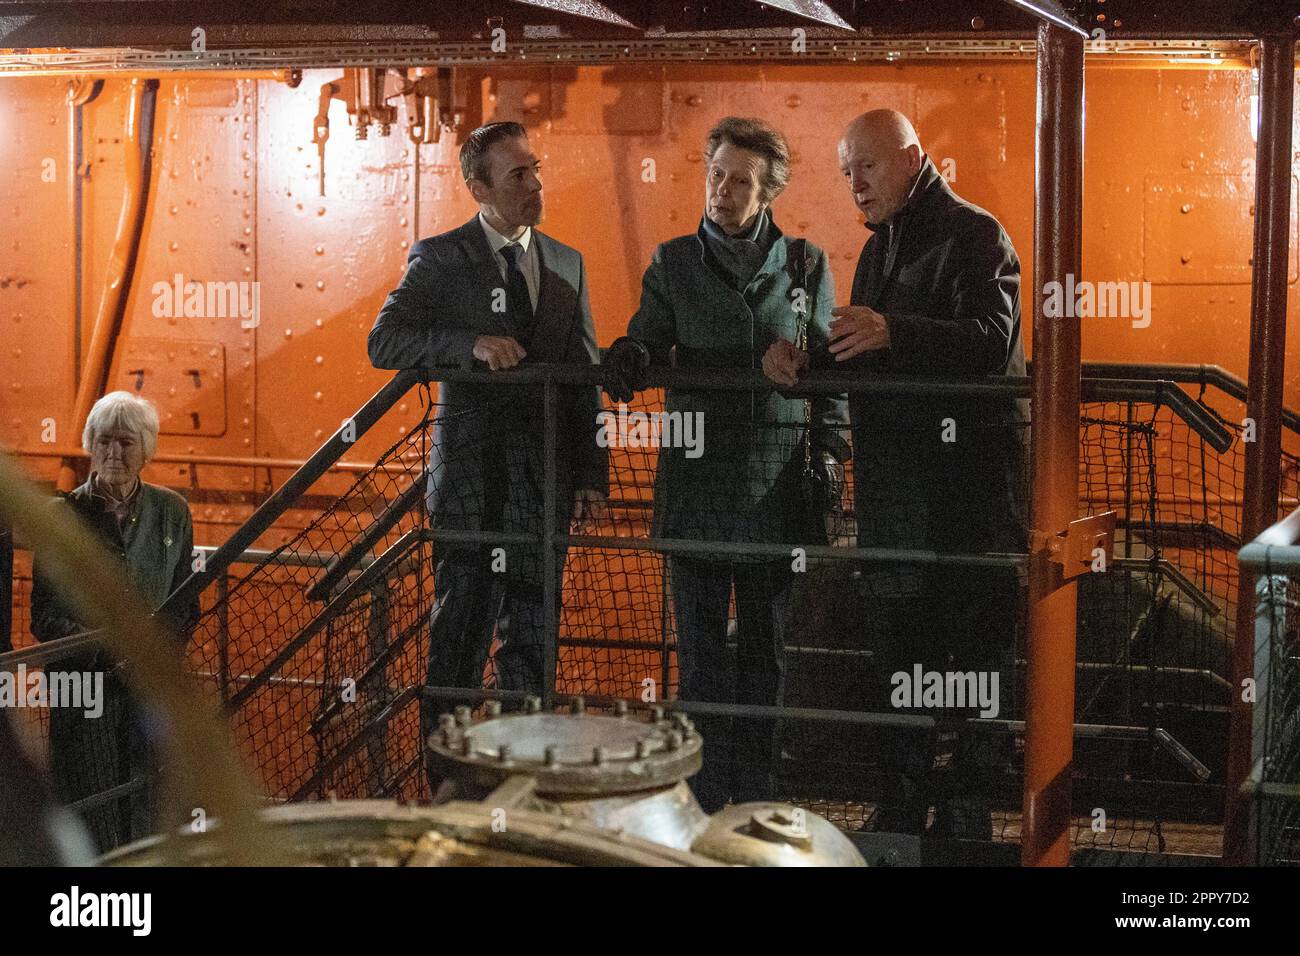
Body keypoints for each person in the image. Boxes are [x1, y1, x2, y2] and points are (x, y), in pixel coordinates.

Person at [603, 116, 848, 812]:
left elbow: (827, 374)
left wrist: (830, 453)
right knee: (704, 660)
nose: (723, 191)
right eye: (716, 174)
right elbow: (648, 342)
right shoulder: (673, 263)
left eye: (741, 180)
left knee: (765, 656)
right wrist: (631, 354)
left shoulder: (806, 265)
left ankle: (757, 797)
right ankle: (708, 799)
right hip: (699, 492)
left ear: (767, 191)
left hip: (777, 491)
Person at [367, 122, 608, 779]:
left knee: (532, 642)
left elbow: (583, 374)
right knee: (459, 642)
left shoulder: (566, 262)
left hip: (542, 491)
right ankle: (446, 792)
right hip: (472, 491)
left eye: (535, 169)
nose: (535, 185)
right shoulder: (440, 259)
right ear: (478, 188)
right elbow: (383, 342)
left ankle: (519, 786)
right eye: (517, 176)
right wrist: (465, 344)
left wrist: (590, 473)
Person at [817, 109, 1028, 839]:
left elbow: (991, 342)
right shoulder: (883, 250)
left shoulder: (976, 232)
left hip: (967, 505)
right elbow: (866, 348)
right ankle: (909, 813)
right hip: (905, 506)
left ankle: (963, 818)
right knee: (905, 661)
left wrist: (891, 328)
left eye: (866, 166)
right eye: (846, 171)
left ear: (911, 158)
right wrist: (798, 363)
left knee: (969, 662)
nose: (855, 184)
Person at [29, 390, 196, 852]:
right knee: (91, 810)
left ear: (146, 448)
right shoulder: (61, 518)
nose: (112, 453)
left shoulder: (172, 513)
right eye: (103, 441)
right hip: (84, 690)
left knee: (152, 804)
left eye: (125, 442)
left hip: (150, 690)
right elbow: (44, 617)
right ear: (90, 444)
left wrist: (153, 656)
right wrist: (110, 652)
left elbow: (185, 605)